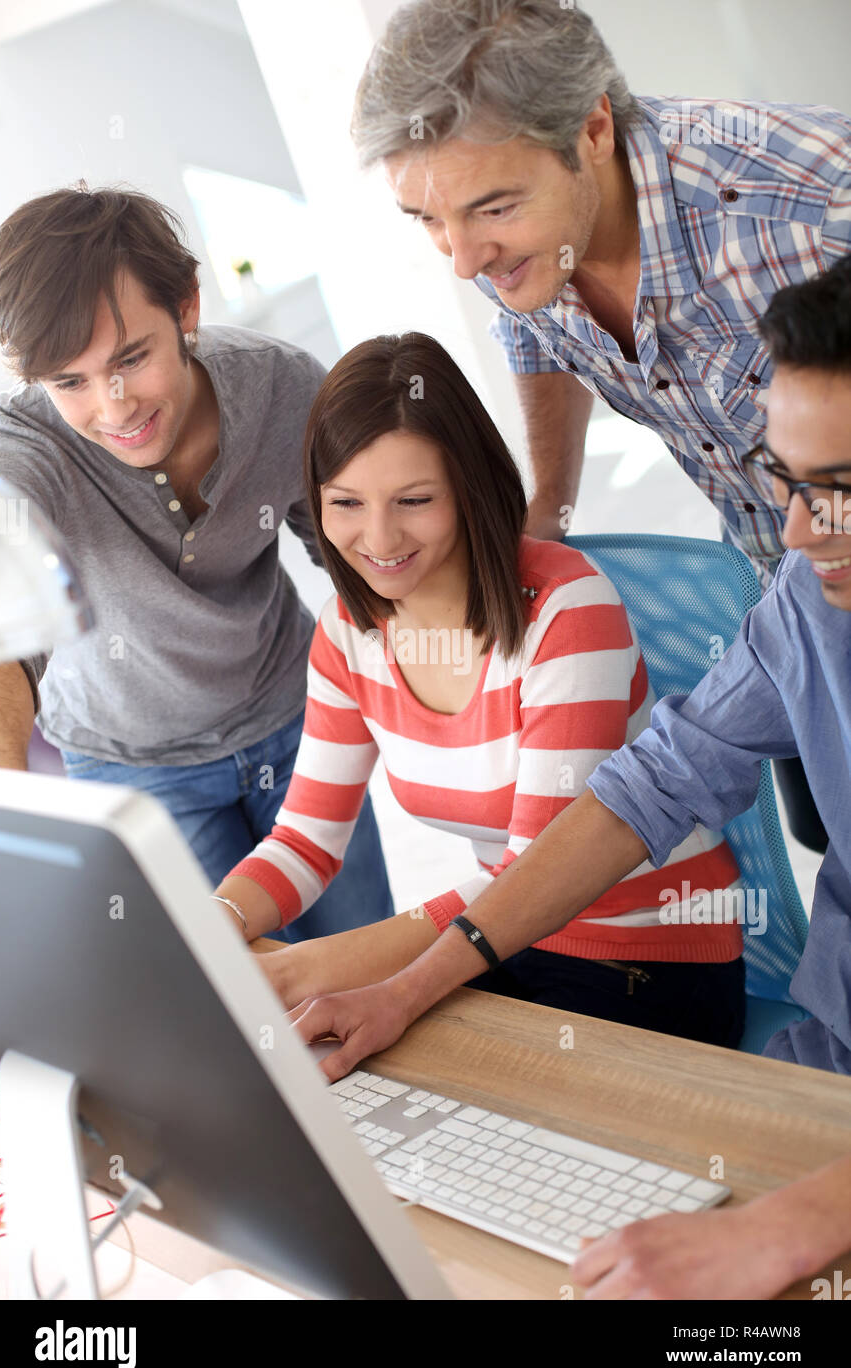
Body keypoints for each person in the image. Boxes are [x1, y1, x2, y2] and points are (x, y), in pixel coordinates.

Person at [287, 255, 851, 1299]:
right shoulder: (807, 604)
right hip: (820, 1069)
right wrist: (401, 988)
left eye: (839, 491)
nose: (794, 530)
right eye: (784, 481)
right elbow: (650, 786)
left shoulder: (565, 604)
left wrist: (786, 1230)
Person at [351, 0, 851, 853]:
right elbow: (529, 324)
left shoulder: (811, 207)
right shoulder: (515, 245)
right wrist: (551, 501)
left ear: (591, 129)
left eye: (491, 210)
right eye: (429, 220)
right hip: (785, 587)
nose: (463, 259)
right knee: (829, 837)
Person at [214, 330, 746, 1045]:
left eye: (413, 500)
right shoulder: (348, 630)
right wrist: (216, 925)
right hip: (500, 940)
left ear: (469, 488)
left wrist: (310, 967)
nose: (378, 537)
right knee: (330, 1066)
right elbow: (306, 840)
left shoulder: (566, 609)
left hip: (644, 955)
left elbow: (534, 875)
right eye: (344, 503)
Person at [0, 184, 393, 941]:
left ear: (187, 310)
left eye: (131, 359)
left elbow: (355, 555)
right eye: (69, 382)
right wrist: (10, 838)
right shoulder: (22, 452)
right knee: (237, 996)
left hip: (294, 716)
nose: (112, 408)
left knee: (362, 952)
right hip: (136, 765)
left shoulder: (283, 386)